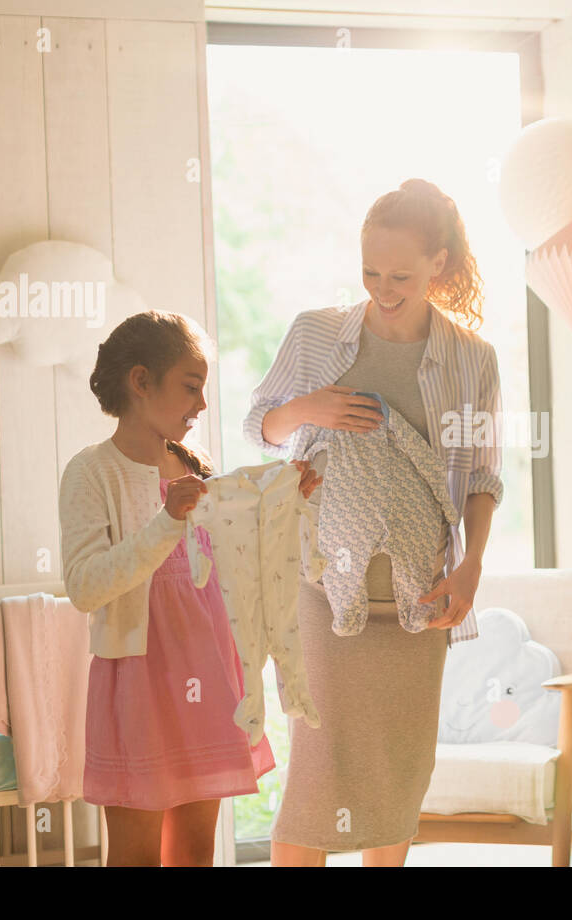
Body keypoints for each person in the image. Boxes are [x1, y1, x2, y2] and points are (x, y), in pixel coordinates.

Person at [243, 178, 504, 867]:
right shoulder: (317, 333)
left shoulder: (471, 360)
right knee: (318, 769)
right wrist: (309, 408)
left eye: (401, 276)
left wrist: (471, 565)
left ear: (438, 266)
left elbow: (481, 478)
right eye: (370, 272)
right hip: (322, 592)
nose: (382, 288)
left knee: (397, 772)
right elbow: (259, 425)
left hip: (420, 597)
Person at [59, 310, 319, 865]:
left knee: (197, 850)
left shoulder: (194, 466)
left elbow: (241, 560)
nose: (202, 404)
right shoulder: (92, 472)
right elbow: (85, 586)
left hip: (206, 672)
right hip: (139, 681)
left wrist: (289, 501)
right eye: (191, 387)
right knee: (135, 855)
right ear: (141, 381)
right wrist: (165, 519)